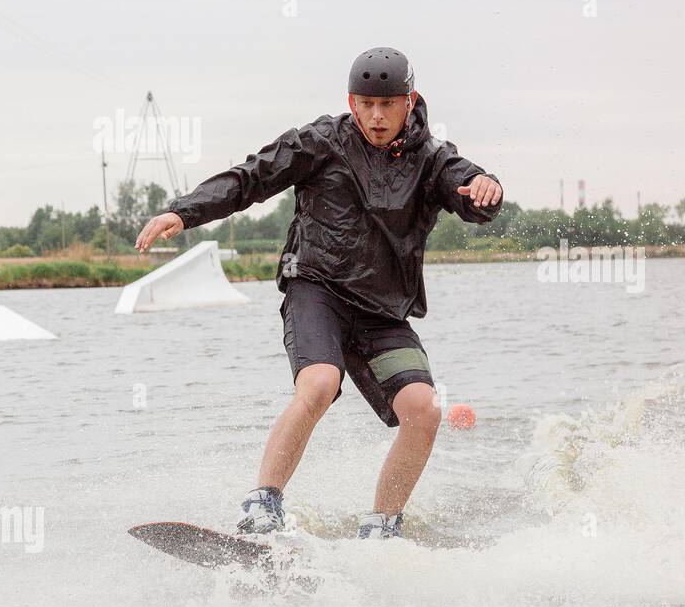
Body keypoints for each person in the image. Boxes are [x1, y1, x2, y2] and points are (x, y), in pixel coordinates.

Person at [134, 47, 502, 541]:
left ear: (409, 102)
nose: (376, 116)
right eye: (366, 103)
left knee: (423, 408)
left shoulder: (433, 160)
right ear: (352, 101)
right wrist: (186, 211)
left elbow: (469, 187)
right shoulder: (320, 141)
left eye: (388, 104)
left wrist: (484, 186)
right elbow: (252, 177)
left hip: (381, 313)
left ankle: (382, 526)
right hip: (317, 290)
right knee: (319, 383)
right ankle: (262, 504)